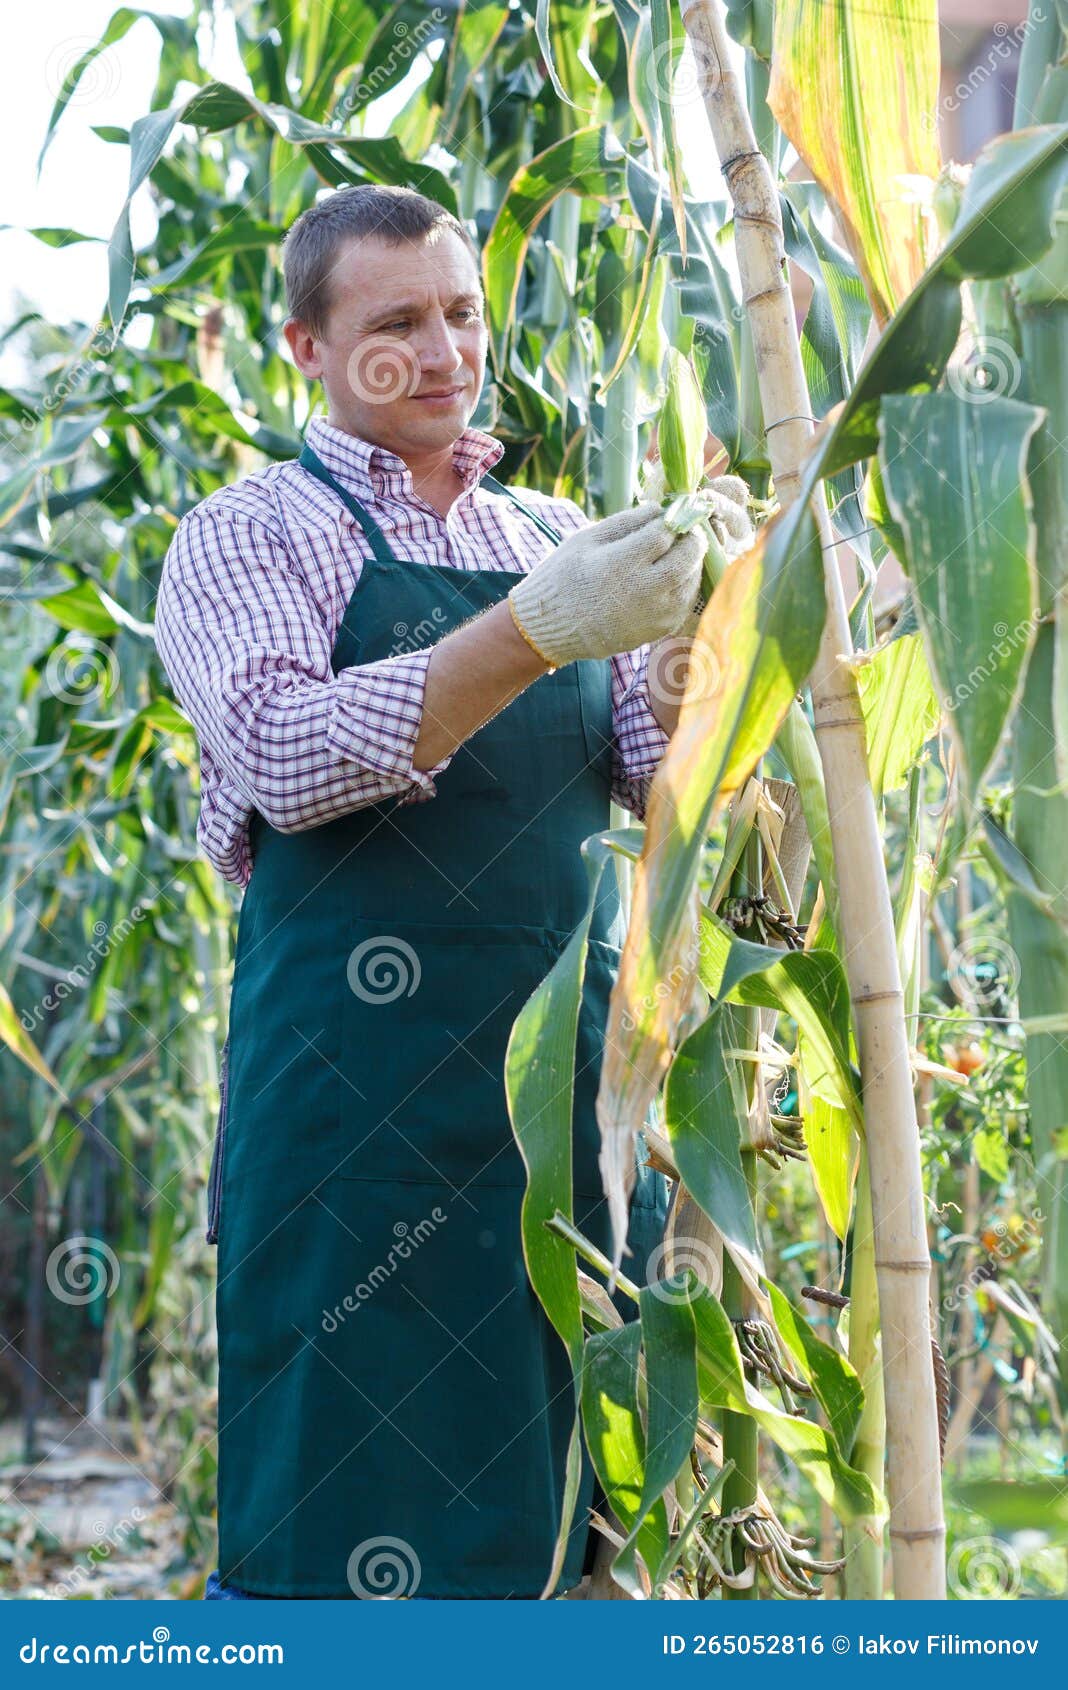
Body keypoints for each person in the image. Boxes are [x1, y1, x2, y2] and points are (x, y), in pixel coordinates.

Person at [155, 183, 749, 1600]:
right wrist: (540, 632)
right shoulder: (247, 536)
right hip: (350, 1131)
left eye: (463, 313)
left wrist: (718, 626)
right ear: (305, 345)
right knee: (334, 1512)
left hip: (552, 1125)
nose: (444, 353)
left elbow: (656, 776)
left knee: (544, 1522)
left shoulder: (549, 531)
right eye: (396, 324)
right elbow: (285, 757)